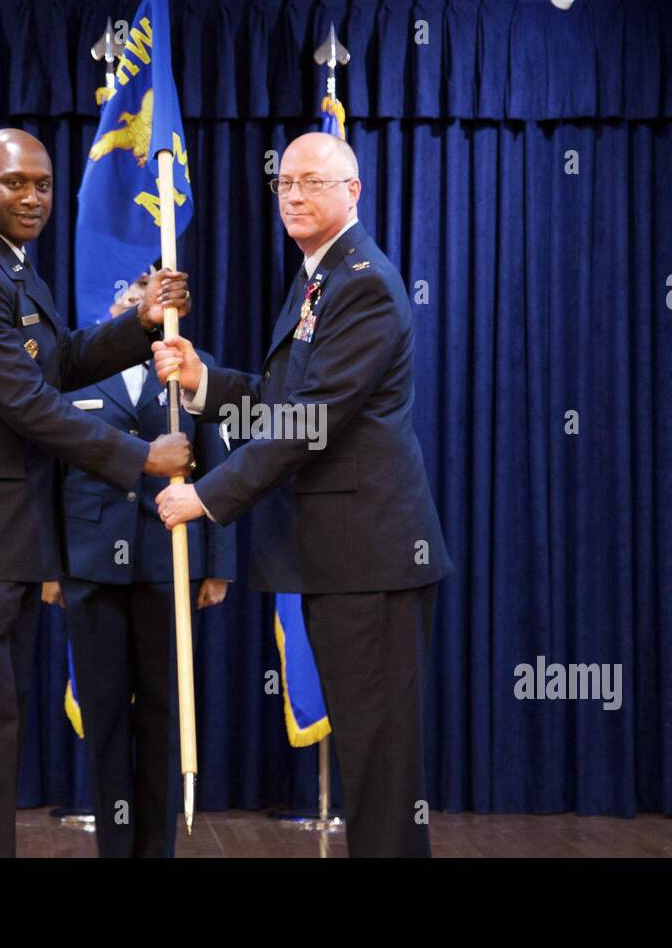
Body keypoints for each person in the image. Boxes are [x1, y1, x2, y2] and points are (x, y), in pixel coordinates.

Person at [0, 128, 193, 857]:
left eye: (43, 184)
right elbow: (29, 405)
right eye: (15, 183)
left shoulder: (9, 266)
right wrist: (142, 457)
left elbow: (53, 366)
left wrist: (137, 322)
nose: (32, 197)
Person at [152, 132, 452, 857]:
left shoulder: (365, 282)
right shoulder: (321, 276)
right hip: (335, 559)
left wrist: (209, 497)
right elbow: (283, 404)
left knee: (381, 767)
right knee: (367, 755)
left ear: (353, 191)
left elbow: (309, 424)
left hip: (371, 561)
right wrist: (205, 384)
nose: (292, 194)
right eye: (284, 182)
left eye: (312, 181)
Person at [45, 273, 236, 858]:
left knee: (161, 714)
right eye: (130, 300)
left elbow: (220, 468)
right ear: (115, 311)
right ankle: (114, 846)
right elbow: (51, 476)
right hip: (91, 567)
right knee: (103, 717)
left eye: (152, 300)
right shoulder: (78, 372)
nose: (141, 307)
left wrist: (217, 565)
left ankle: (156, 849)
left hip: (166, 565)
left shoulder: (189, 373)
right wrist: (49, 566)